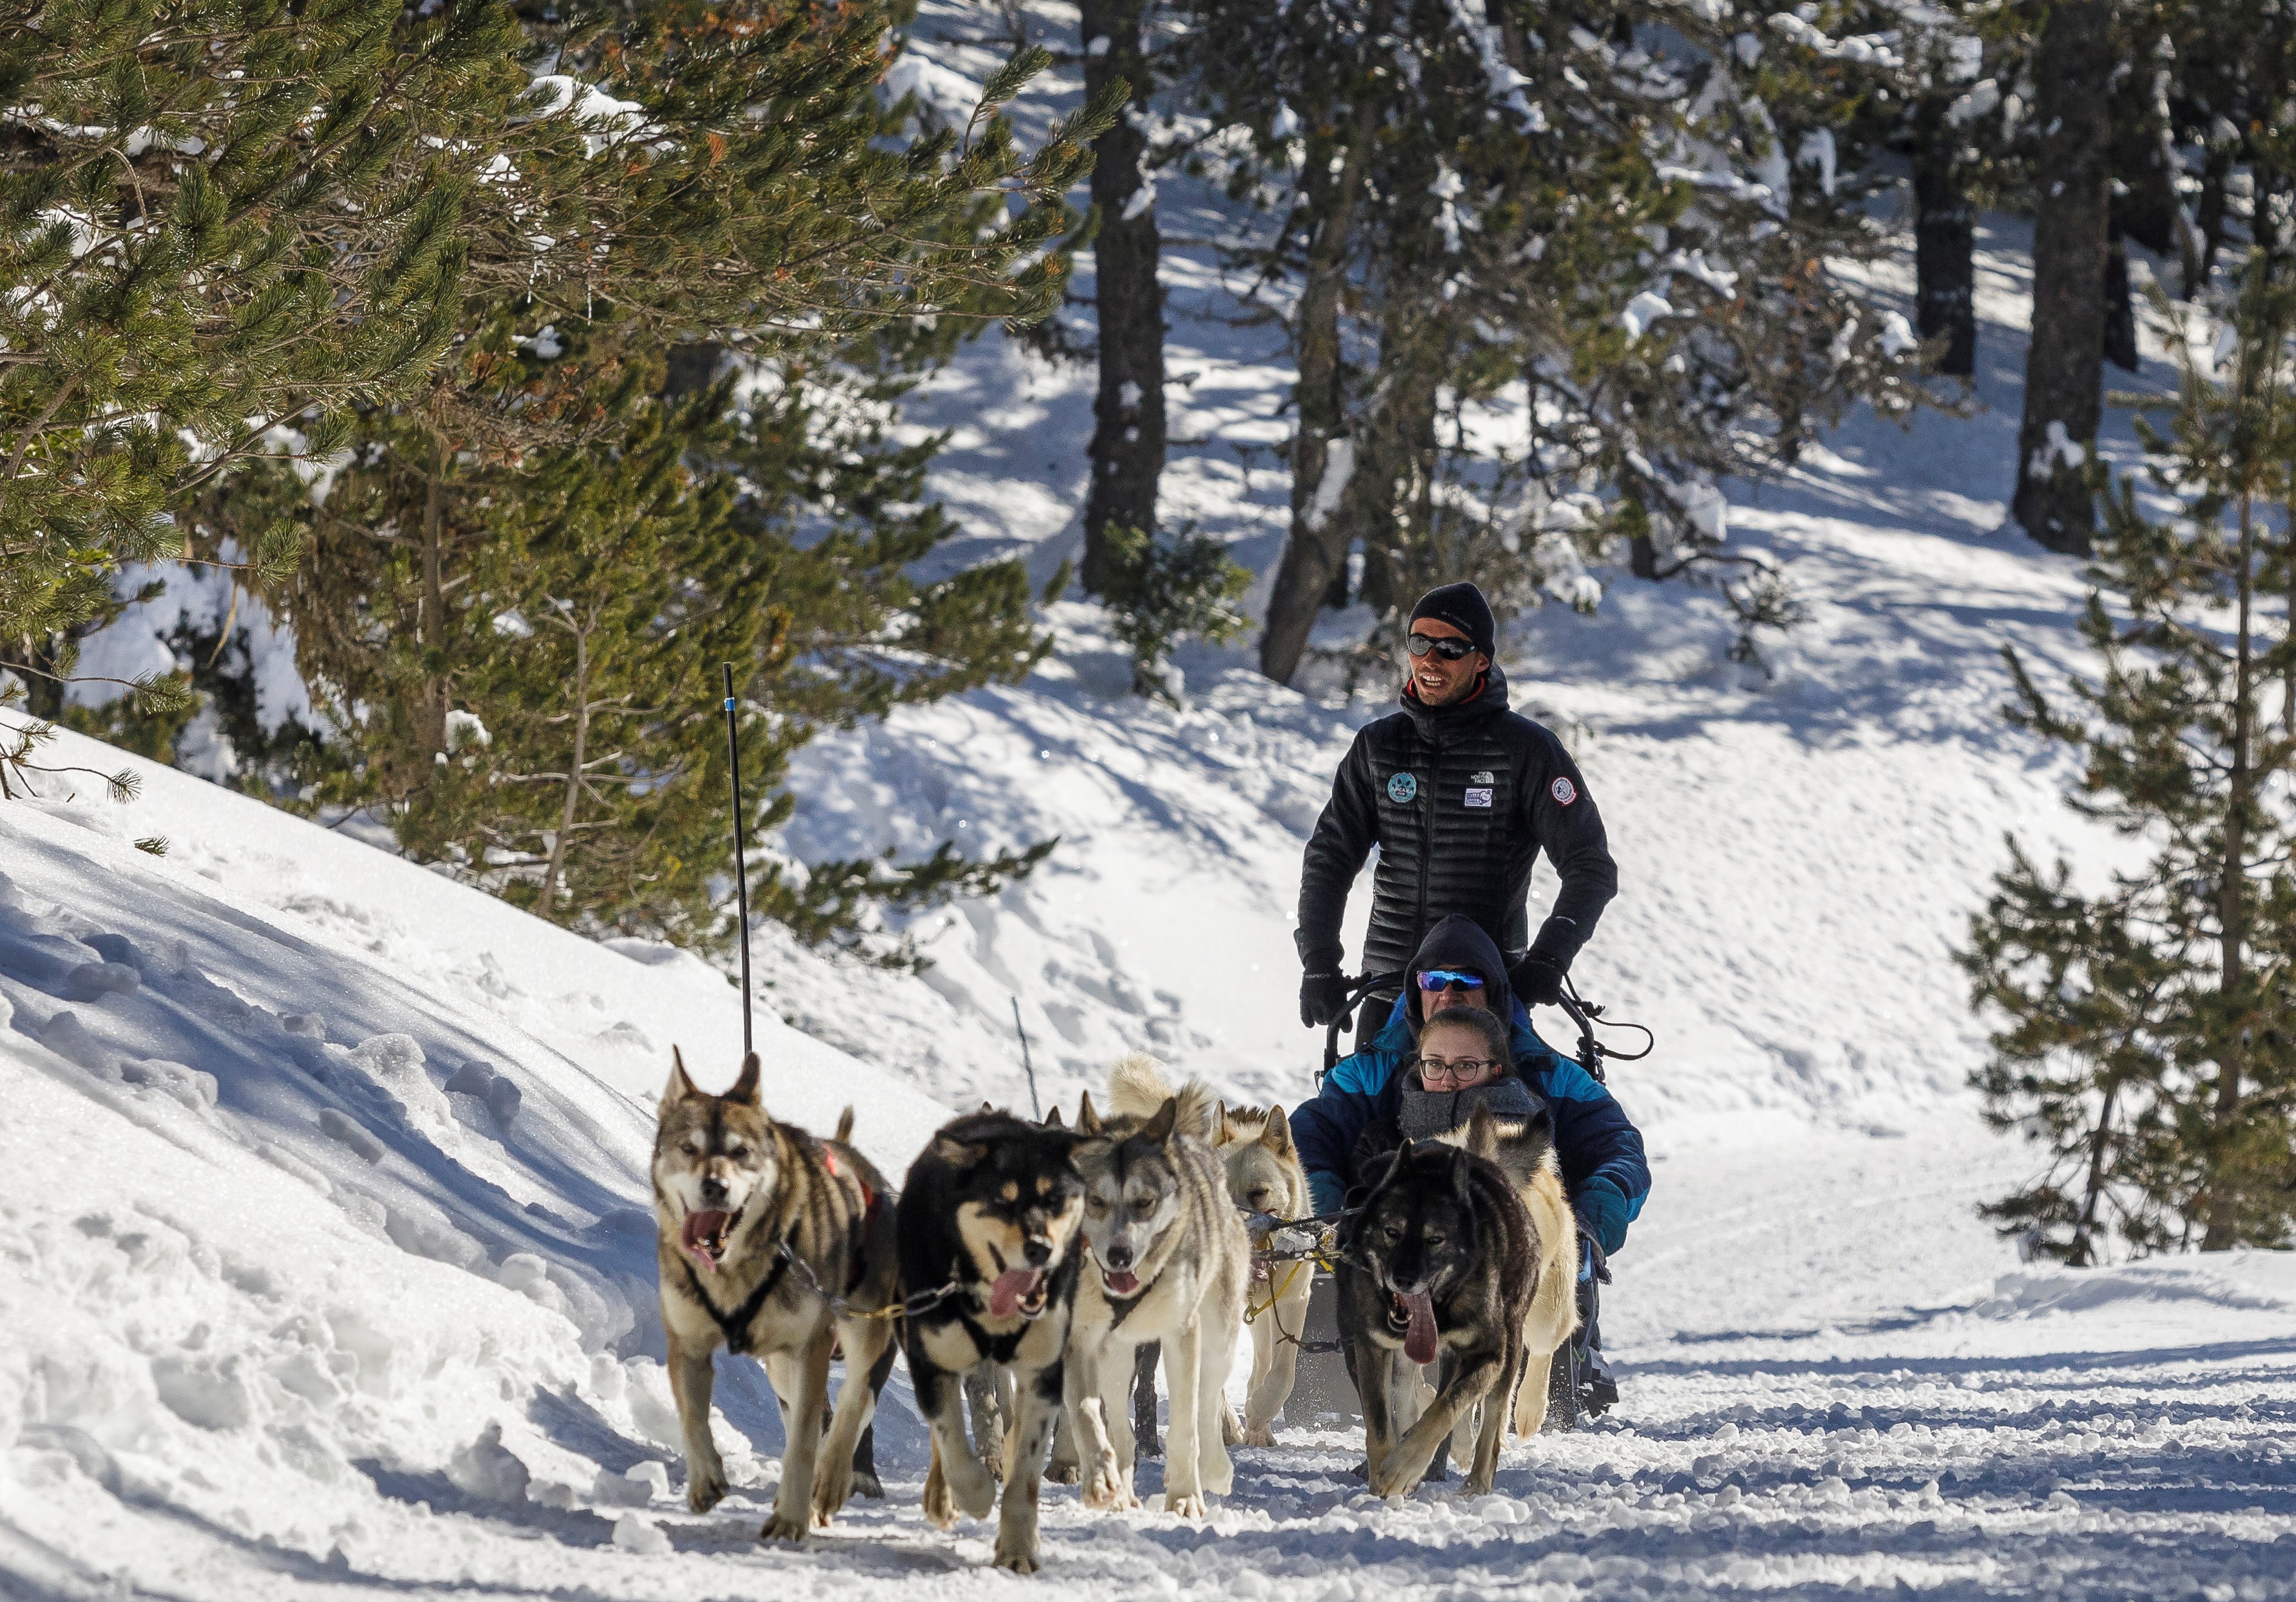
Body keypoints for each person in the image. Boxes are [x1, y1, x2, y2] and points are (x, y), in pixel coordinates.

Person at [1290, 914, 1648, 1416]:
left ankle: (1547, 1366)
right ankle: (1342, 1381)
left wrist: (1593, 1214)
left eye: (1465, 980)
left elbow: (1617, 1148)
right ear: (1415, 990)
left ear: (1493, 991)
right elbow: (1306, 1139)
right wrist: (1325, 1204)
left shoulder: (1549, 1075)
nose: (1448, 992)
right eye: (1434, 980)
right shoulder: (1370, 1074)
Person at [1296, 581, 1618, 1052]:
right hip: (1388, 993)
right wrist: (1319, 960)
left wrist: (1550, 958)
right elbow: (1329, 859)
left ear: (1481, 660)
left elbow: (1590, 867)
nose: (1430, 659)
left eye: (1449, 649)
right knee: (1351, 1103)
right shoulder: (1378, 747)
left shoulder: (1526, 750)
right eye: (1419, 643)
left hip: (1483, 1000)